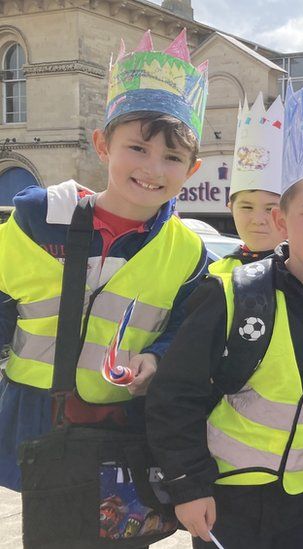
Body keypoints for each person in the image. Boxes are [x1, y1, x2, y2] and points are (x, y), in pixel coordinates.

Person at [146, 65, 303, 549]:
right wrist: (187, 486)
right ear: (282, 220)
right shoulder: (233, 296)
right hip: (226, 495)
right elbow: (175, 398)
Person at [0, 28, 209, 491]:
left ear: (192, 169)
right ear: (102, 145)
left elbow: (186, 330)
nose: (152, 169)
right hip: (34, 419)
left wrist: (157, 358)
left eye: (172, 157)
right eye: (137, 148)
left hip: (121, 425)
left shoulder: (190, 253)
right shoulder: (39, 217)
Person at [209, 93, 286, 274]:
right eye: (246, 207)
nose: (258, 220)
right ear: (230, 207)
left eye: (270, 209)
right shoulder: (215, 273)